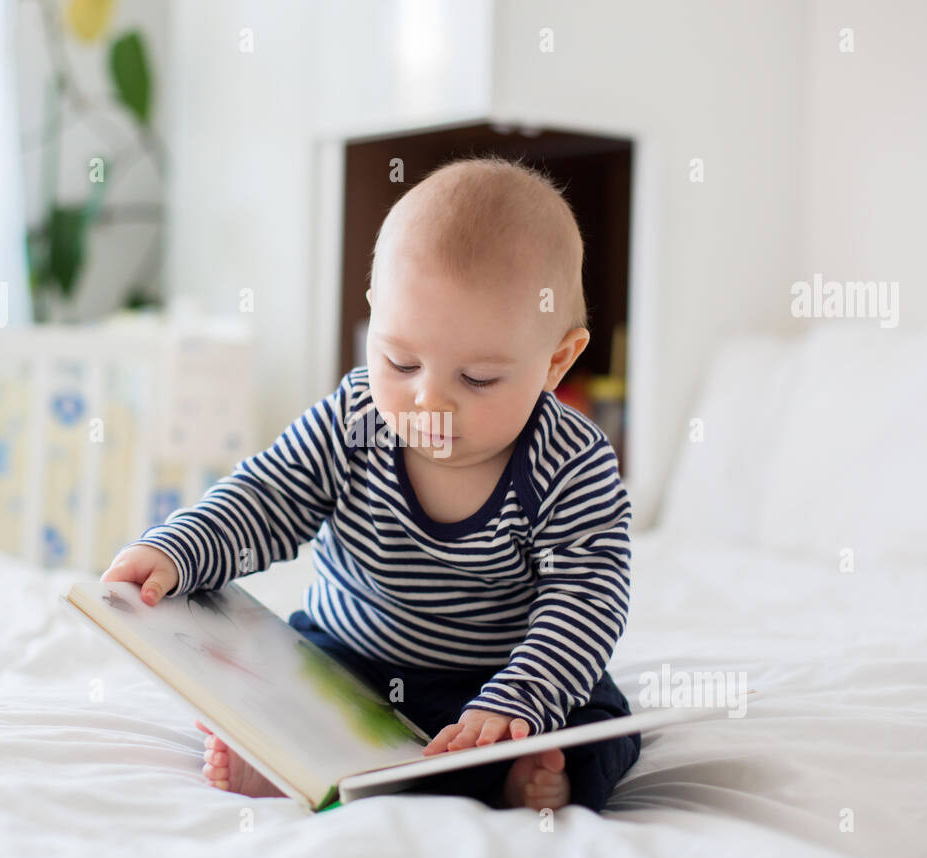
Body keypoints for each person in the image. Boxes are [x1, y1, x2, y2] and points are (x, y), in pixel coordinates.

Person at [102, 156, 638, 812]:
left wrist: (517, 701)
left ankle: (520, 772)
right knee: (289, 684)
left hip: (493, 684)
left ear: (557, 360)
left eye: (477, 380)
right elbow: (267, 498)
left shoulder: (570, 463)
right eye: (400, 360)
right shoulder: (356, 418)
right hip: (352, 659)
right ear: (374, 314)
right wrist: (181, 549)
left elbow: (585, 599)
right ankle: (288, 763)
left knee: (601, 719)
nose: (428, 401)